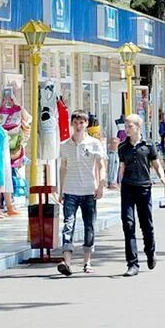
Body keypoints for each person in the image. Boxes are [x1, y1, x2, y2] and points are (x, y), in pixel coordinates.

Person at [57, 111, 106, 276]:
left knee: (89, 225)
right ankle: (67, 262)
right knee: (68, 225)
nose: (78, 126)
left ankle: (87, 261)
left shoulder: (94, 143)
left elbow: (100, 165)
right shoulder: (64, 145)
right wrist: (61, 190)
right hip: (70, 190)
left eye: (82, 123)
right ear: (72, 124)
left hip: (88, 191)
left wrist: (101, 185)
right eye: (76, 123)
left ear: (86, 124)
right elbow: (63, 167)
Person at [118, 113, 165, 277]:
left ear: (138, 127)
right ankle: (132, 263)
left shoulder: (148, 146)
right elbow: (122, 167)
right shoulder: (122, 147)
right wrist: (117, 183)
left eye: (129, 126)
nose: (126, 129)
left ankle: (150, 251)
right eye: (125, 126)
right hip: (128, 188)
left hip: (144, 188)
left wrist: (162, 177)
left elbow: (156, 164)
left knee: (146, 224)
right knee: (128, 224)